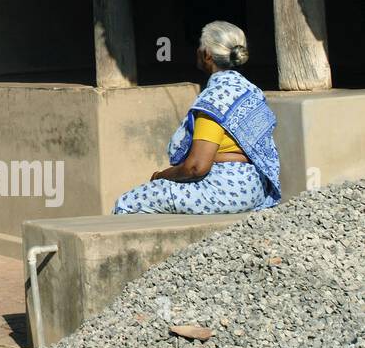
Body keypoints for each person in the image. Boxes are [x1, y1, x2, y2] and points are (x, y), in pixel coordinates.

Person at [113, 21, 280, 215]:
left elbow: (196, 167)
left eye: (200, 47)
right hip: (256, 187)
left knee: (127, 203)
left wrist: (160, 176)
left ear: (207, 54)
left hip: (226, 190)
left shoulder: (216, 99)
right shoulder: (251, 91)